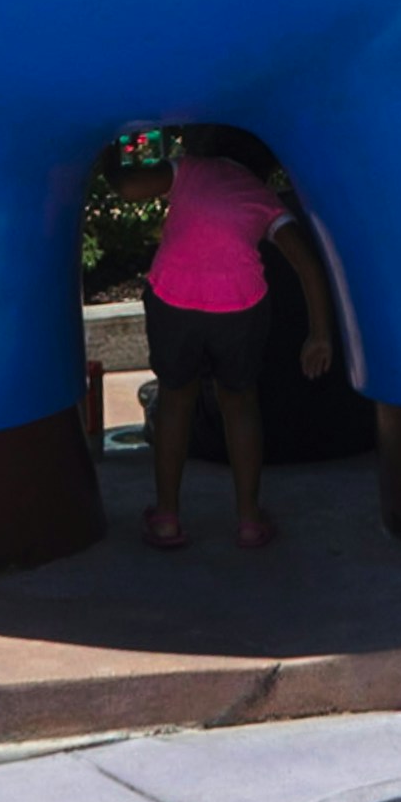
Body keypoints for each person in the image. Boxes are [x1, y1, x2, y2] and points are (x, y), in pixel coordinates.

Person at [133, 124, 337, 551]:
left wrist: (116, 144)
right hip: (240, 308)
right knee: (240, 403)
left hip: (175, 299)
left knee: (175, 400)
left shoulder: (187, 170)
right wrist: (319, 335)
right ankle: (248, 520)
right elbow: (308, 266)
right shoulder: (262, 198)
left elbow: (129, 188)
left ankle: (167, 518)